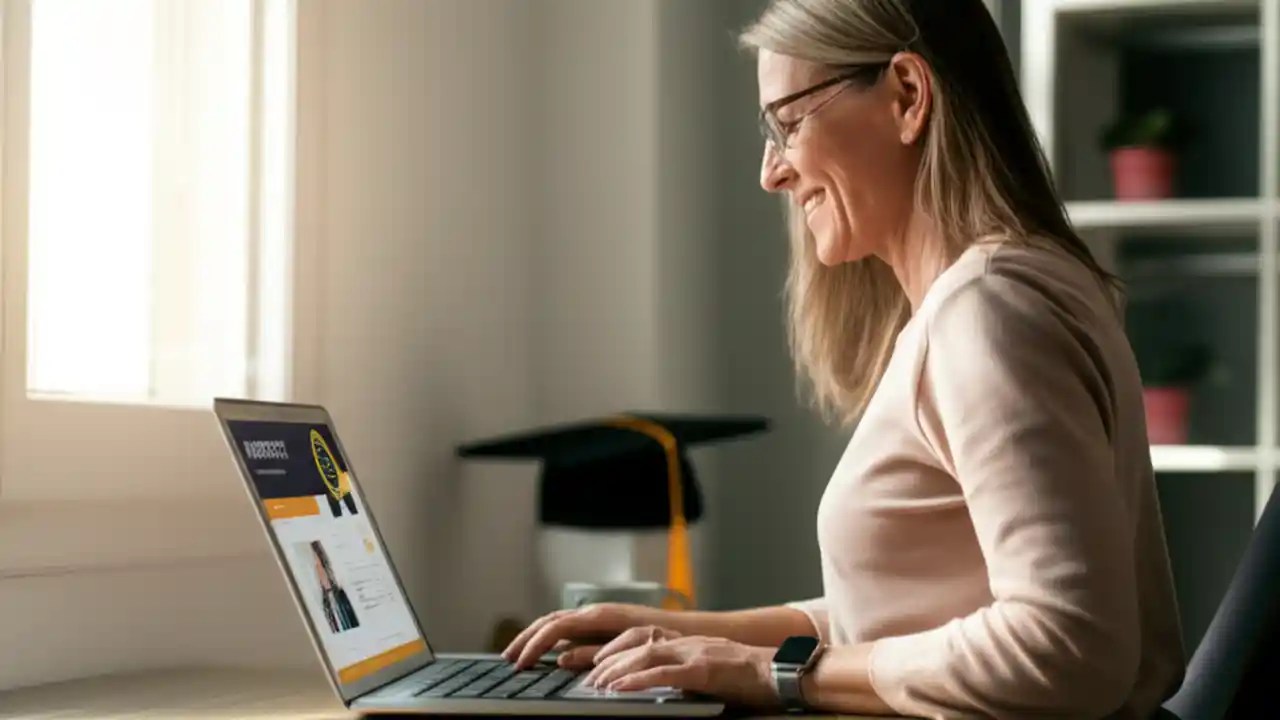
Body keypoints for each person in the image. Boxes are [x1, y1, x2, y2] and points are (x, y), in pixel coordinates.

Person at [502, 0, 1185, 717]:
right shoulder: (1002, 294)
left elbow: (1067, 648)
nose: (772, 172)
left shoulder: (986, 314)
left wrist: (776, 673)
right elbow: (903, 626)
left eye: (788, 122)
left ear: (907, 97)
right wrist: (686, 637)